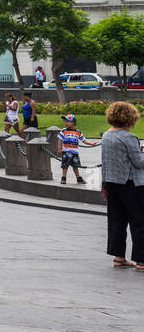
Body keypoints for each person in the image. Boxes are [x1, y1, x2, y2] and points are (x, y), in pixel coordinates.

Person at [100, 101, 144, 269]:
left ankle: (119, 257)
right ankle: (141, 260)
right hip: (131, 183)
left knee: (117, 221)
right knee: (139, 221)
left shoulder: (106, 135)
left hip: (111, 182)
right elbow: (139, 162)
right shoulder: (128, 137)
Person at [57, 114, 97, 185]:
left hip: (74, 153)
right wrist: (59, 149)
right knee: (65, 166)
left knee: (75, 166)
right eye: (65, 122)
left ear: (73, 123)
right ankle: (63, 178)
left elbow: (84, 140)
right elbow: (60, 139)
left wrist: (91, 143)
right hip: (66, 152)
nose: (65, 123)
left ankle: (78, 178)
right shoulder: (63, 131)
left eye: (67, 122)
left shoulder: (78, 132)